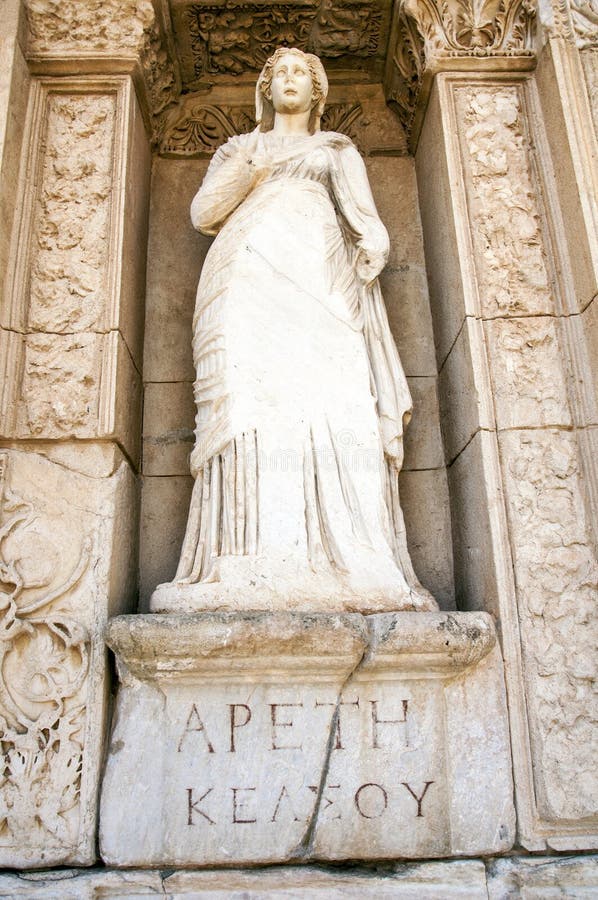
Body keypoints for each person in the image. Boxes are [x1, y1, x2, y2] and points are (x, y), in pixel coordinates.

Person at [150, 47, 437, 614]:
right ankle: (247, 554)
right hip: (245, 280)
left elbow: (368, 222)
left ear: (316, 90)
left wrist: (375, 246)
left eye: (299, 73)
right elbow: (203, 214)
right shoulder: (241, 149)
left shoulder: (334, 150)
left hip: (321, 278)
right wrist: (250, 168)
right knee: (248, 405)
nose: (288, 80)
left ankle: (354, 555)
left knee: (337, 397)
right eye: (278, 72)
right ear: (265, 89)